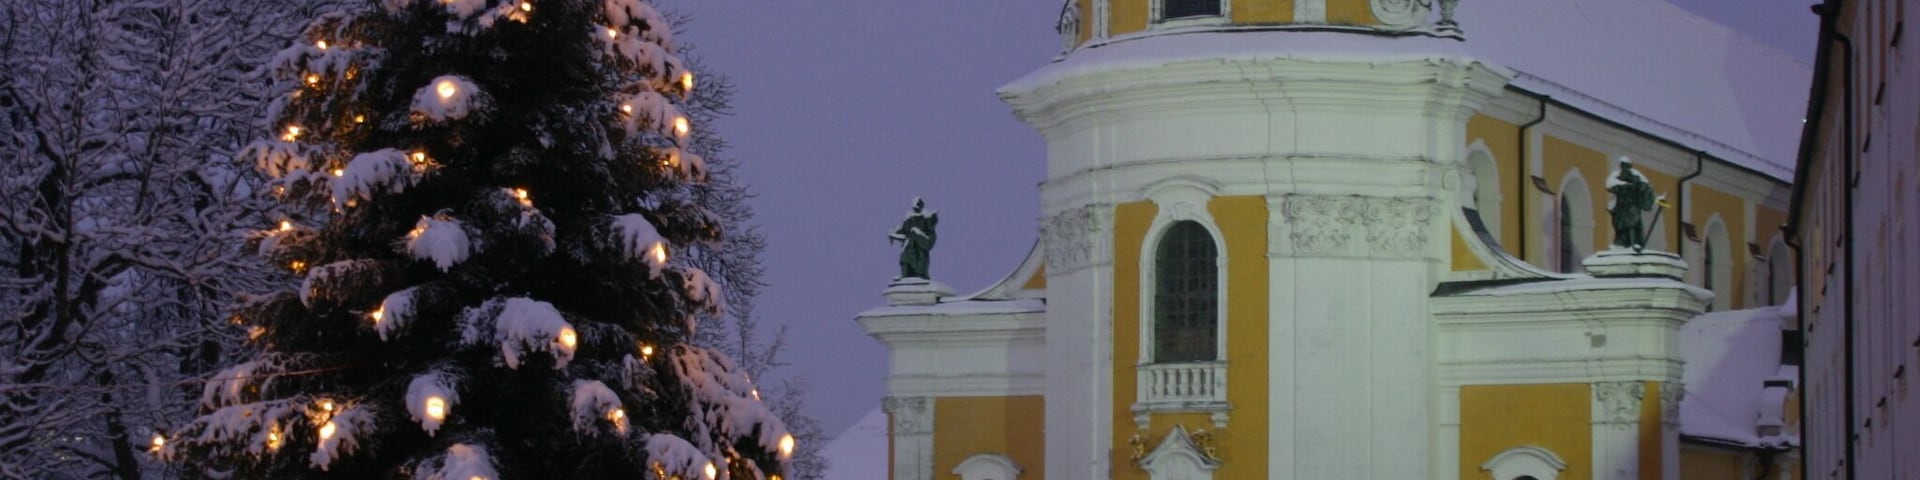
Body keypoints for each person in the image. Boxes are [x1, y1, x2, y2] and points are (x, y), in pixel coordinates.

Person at [1606, 159, 1659, 251]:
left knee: (1632, 224)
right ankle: (1620, 243)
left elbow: (1646, 187)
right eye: (1624, 165)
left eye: (1627, 165)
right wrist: (1626, 186)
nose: (1625, 167)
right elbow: (1610, 186)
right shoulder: (1616, 175)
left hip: (1632, 205)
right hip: (1621, 206)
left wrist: (1639, 189)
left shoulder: (1637, 176)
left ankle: (1634, 242)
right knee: (1620, 226)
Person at [889, 197, 938, 280]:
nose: (916, 208)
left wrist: (932, 220)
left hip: (920, 249)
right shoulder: (909, 219)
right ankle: (905, 277)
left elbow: (930, 238)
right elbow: (903, 230)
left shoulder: (926, 218)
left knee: (920, 267)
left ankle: (919, 276)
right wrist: (894, 234)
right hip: (909, 247)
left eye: (918, 206)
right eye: (915, 206)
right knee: (905, 259)